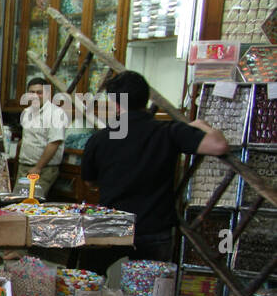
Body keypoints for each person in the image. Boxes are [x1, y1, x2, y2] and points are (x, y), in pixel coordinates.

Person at [81, 70, 229, 263]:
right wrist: (201, 124)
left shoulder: (99, 139)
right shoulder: (168, 131)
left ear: (115, 104)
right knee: (153, 290)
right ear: (145, 99)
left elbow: (90, 182)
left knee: (92, 283)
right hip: (154, 226)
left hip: (112, 225)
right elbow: (219, 145)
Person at [15, 75, 70, 199]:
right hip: (24, 167)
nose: (35, 95)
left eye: (39, 92)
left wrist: (38, 167)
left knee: (33, 203)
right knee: (17, 204)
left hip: (43, 169)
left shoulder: (56, 114)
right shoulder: (27, 112)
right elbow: (27, 138)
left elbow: (54, 143)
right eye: (31, 92)